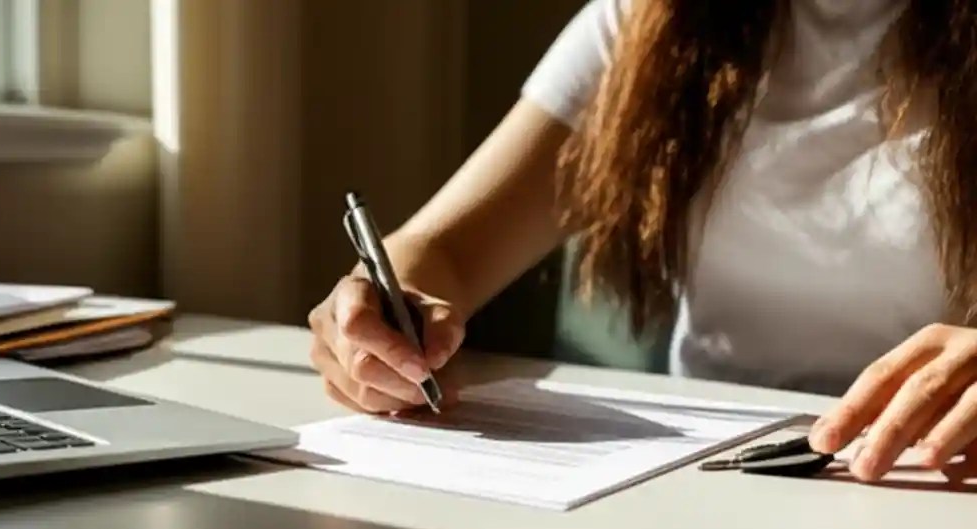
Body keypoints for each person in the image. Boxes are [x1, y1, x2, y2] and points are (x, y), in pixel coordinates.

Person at [307, 0, 977, 483]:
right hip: (712, 482)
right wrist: (382, 317)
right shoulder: (651, 21)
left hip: (925, 490)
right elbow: (444, 250)